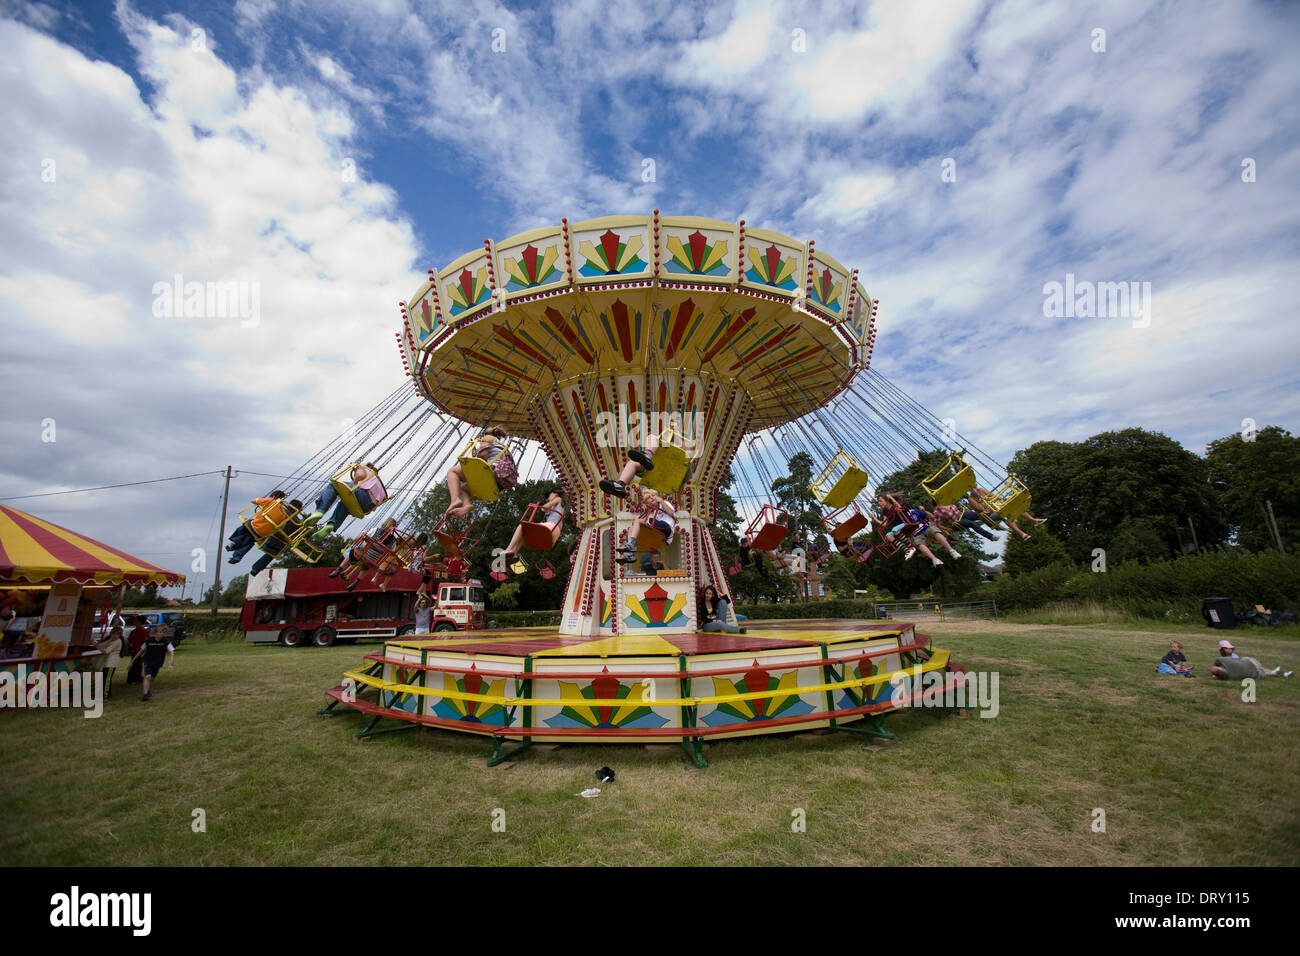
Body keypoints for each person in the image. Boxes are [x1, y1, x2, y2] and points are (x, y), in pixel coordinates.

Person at [445, 427, 517, 518]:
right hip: (499, 482)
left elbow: (482, 455)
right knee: (462, 488)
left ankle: (454, 500)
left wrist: (476, 456)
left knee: (453, 471)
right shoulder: (501, 446)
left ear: (483, 435)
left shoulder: (488, 437)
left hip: (492, 471)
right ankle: (467, 505)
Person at [307, 463, 388, 540]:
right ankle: (331, 524)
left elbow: (360, 475)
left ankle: (319, 511)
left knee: (333, 485)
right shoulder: (379, 486)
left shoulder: (365, 469)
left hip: (362, 494)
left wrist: (354, 481)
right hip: (366, 508)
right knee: (345, 504)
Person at [330, 518, 401, 591]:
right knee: (367, 564)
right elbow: (391, 551)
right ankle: (356, 582)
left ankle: (338, 569)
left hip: (365, 554)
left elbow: (365, 536)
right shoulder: (393, 540)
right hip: (374, 560)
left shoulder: (376, 530)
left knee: (353, 550)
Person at [502, 488, 565, 567]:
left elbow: (544, 508)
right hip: (554, 533)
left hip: (552, 527)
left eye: (549, 495)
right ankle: (513, 553)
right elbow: (547, 511)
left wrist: (544, 507)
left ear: (555, 493)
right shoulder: (557, 507)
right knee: (525, 532)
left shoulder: (558, 498)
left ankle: (508, 549)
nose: (548, 498)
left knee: (521, 526)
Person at [226, 490, 293, 563]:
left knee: (244, 526)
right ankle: (237, 556)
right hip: (262, 534)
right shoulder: (283, 513)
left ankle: (234, 544)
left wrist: (262, 502)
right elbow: (282, 526)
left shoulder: (270, 501)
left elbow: (253, 500)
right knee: (250, 540)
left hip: (254, 526)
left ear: (273, 496)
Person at [614, 490, 676, 564]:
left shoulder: (664, 503)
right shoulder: (652, 511)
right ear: (647, 503)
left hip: (667, 528)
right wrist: (638, 522)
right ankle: (630, 554)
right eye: (648, 498)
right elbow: (642, 521)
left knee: (642, 520)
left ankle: (630, 545)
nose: (652, 498)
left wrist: (661, 500)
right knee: (631, 528)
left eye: (653, 496)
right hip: (658, 528)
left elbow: (671, 513)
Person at [249, 500, 305, 575]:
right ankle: (256, 569)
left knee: (253, 533)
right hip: (278, 544)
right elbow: (297, 535)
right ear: (299, 509)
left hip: (266, 538)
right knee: (271, 555)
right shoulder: (298, 522)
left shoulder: (281, 511)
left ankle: (236, 550)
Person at [130, 627, 175, 702]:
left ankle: (147, 690)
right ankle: (145, 694)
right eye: (160, 632)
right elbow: (141, 651)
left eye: (163, 632)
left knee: (152, 678)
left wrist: (171, 659)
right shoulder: (148, 641)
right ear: (155, 633)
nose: (161, 634)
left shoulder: (166, 641)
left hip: (158, 662)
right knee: (147, 676)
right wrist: (132, 661)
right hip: (148, 661)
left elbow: (171, 651)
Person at [1209, 640, 1292, 680]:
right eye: (1227, 648)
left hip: (1248, 665)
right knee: (1261, 670)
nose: (1229, 650)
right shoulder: (1225, 658)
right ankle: (1278, 673)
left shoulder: (1233, 657)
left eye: (1229, 648)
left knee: (1260, 671)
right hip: (1249, 665)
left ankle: (1277, 673)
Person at [931, 498, 997, 542]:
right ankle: (991, 536)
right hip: (957, 522)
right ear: (936, 501)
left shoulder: (946, 502)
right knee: (971, 523)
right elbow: (937, 525)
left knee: (979, 514)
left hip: (962, 514)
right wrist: (947, 529)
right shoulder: (937, 512)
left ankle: (995, 518)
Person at [94, 624, 125, 700]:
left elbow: (106, 651)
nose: (114, 636)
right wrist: (97, 645)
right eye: (113, 634)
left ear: (119, 635)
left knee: (107, 679)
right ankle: (103, 694)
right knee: (104, 679)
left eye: (116, 634)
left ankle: (106, 695)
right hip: (106, 663)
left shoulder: (117, 642)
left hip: (111, 663)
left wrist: (98, 647)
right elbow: (103, 645)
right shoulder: (111, 640)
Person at [125, 615, 150, 685]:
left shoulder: (142, 630)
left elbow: (146, 640)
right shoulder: (133, 631)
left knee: (137, 665)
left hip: (140, 651)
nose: (133, 621)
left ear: (140, 621)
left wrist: (145, 650)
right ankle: (131, 679)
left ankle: (136, 679)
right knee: (133, 664)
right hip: (134, 650)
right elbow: (129, 641)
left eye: (135, 620)